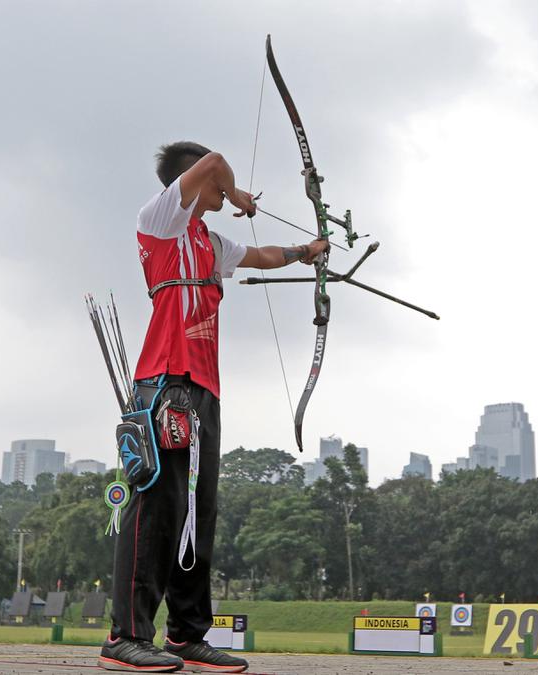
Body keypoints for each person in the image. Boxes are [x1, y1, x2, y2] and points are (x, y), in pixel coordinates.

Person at [100, 141, 327, 673]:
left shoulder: (207, 239)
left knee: (198, 514)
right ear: (197, 183)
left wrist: (305, 251)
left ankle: (186, 634)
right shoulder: (159, 222)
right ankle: (125, 636)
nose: (224, 192)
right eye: (216, 187)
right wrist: (237, 191)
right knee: (156, 508)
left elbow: (262, 256)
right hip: (164, 383)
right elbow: (217, 160)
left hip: (204, 389)